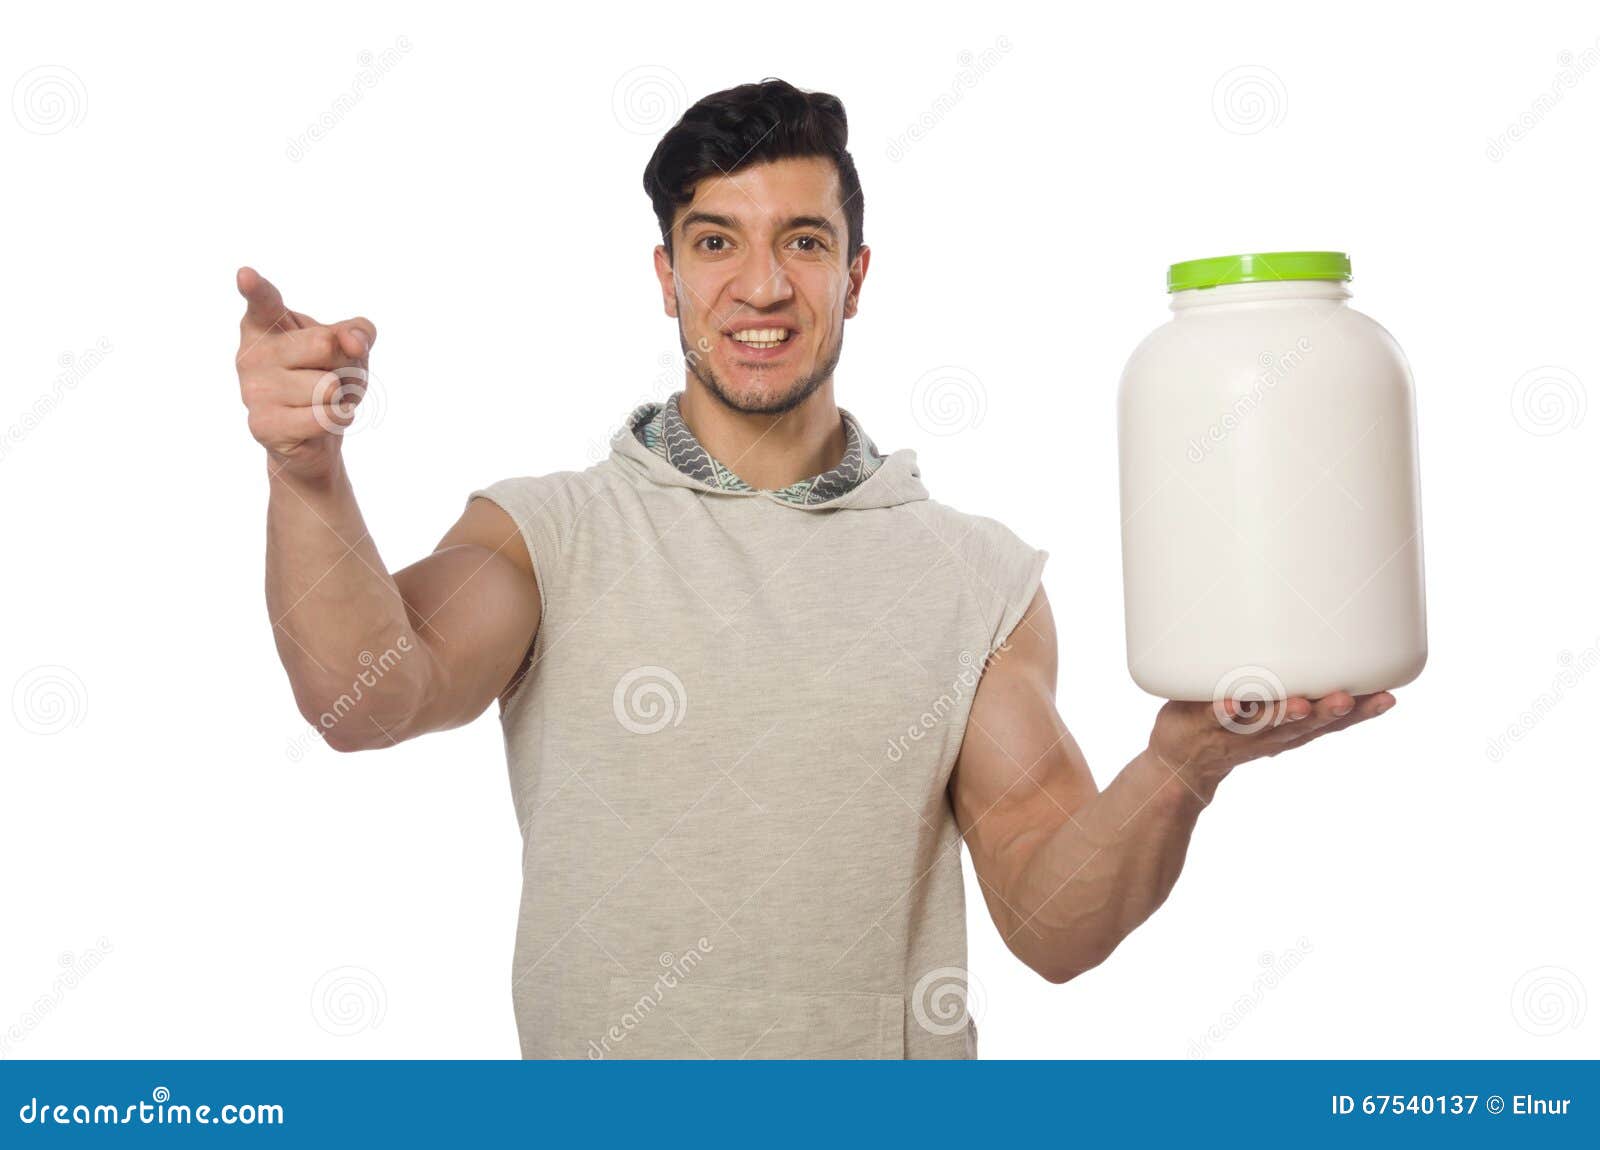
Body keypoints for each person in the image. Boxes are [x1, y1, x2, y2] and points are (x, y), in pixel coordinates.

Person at [233, 78, 1395, 1059]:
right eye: (715, 241)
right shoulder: (550, 534)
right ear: (666, 276)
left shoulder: (971, 575)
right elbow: (369, 695)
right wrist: (307, 471)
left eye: (802, 240)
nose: (763, 284)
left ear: (856, 273)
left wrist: (1179, 766)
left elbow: (1051, 923)